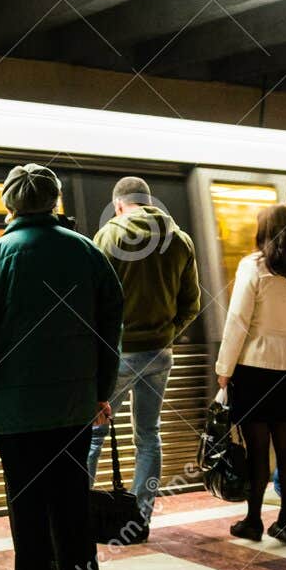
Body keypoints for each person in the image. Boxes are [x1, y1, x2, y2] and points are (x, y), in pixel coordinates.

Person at [0, 163, 121, 570]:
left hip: (16, 411)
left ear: (9, 204)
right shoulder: (88, 254)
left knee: (26, 506)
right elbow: (110, 331)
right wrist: (99, 392)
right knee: (72, 501)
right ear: (55, 201)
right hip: (73, 409)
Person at [87, 176, 199, 536]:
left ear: (119, 204)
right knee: (148, 435)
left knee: (94, 435)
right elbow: (192, 304)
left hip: (117, 353)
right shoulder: (180, 240)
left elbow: (93, 299)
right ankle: (138, 520)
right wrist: (167, 333)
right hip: (159, 354)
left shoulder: (109, 236)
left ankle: (76, 513)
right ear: (149, 202)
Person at [214, 202, 286, 543]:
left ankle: (254, 520)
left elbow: (238, 320)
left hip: (253, 366)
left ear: (264, 230)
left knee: (257, 449)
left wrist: (224, 369)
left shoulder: (253, 266)